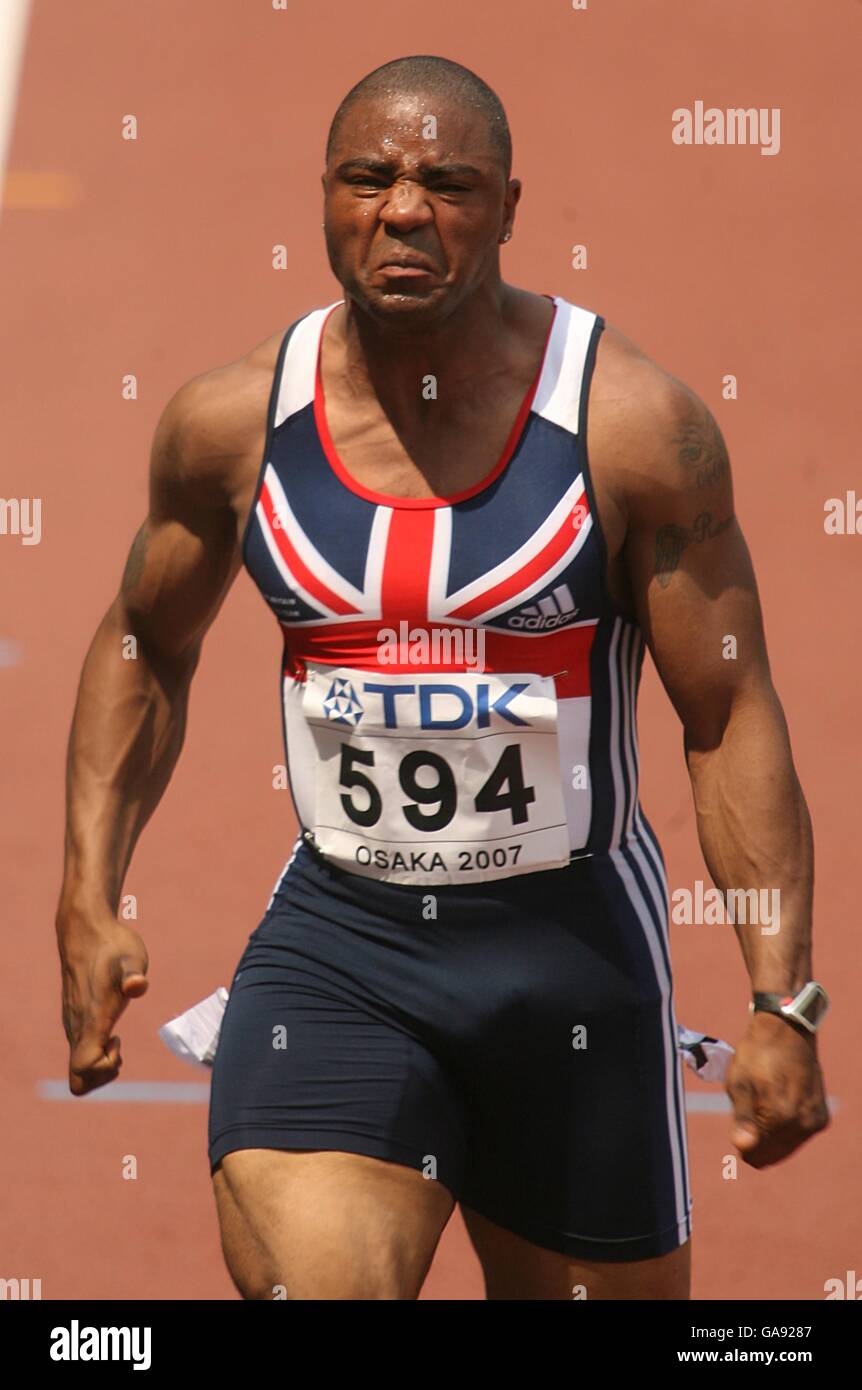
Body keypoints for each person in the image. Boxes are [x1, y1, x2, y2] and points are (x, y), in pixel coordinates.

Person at [55, 55, 829, 1301]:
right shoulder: (231, 427)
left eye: (446, 183)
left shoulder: (631, 430)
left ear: (510, 206)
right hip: (343, 944)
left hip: (570, 956)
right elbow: (146, 640)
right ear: (323, 197)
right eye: (369, 178)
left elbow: (727, 709)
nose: (403, 210)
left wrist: (782, 996)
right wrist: (89, 892)